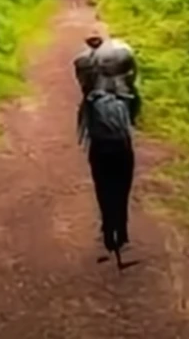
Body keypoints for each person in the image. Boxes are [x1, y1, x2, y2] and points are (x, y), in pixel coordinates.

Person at [74, 31, 140, 266]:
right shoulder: (124, 67)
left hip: (99, 141)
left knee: (103, 185)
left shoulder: (84, 67)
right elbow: (135, 94)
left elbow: (83, 91)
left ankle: (108, 231)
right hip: (121, 140)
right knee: (122, 185)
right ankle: (121, 231)